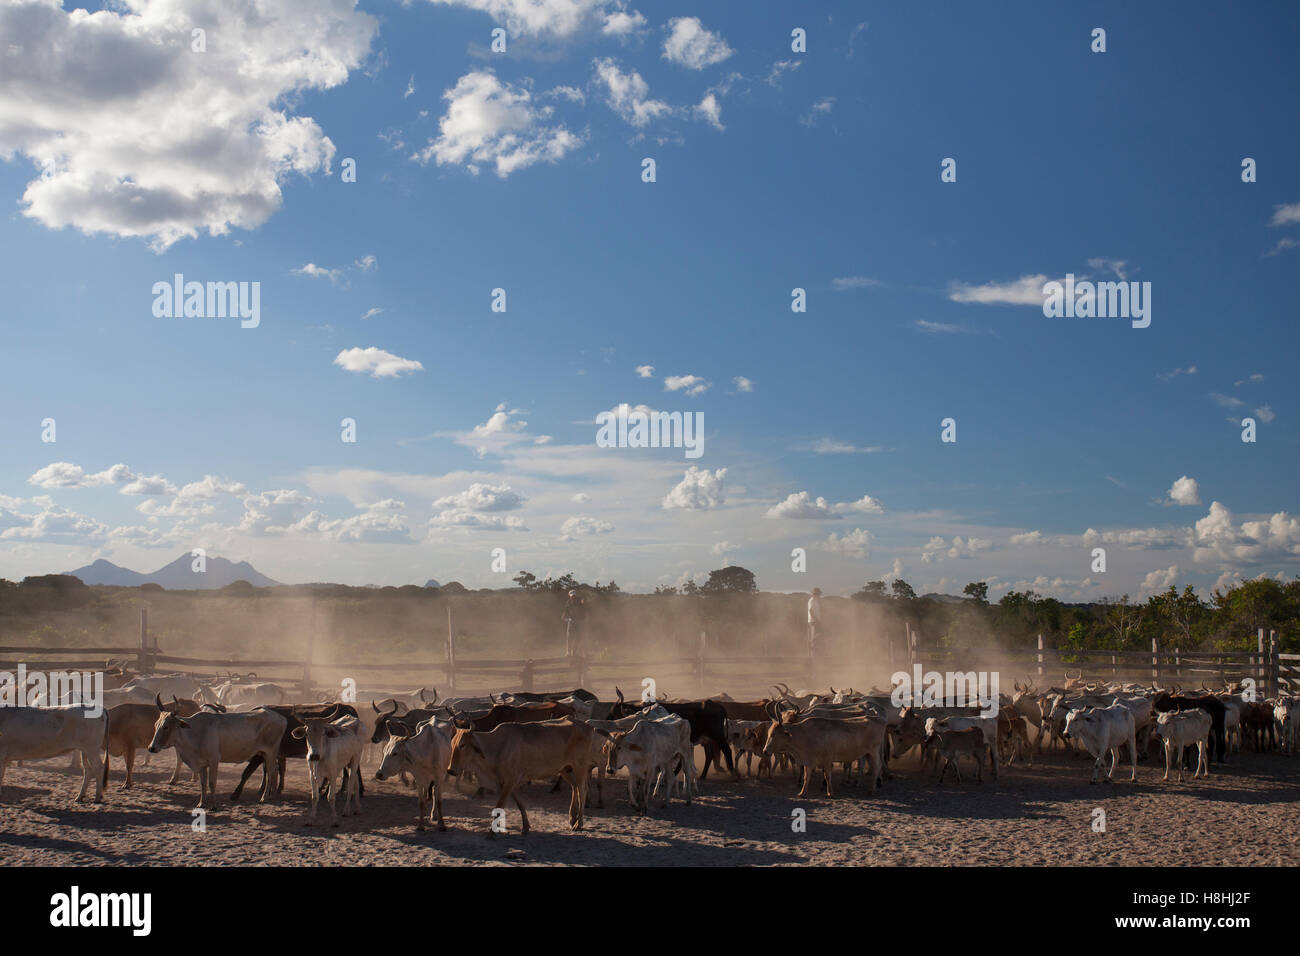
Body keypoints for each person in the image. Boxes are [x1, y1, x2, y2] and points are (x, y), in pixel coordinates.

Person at [561, 589, 587, 657]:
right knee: (569, 637)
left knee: (577, 637)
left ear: (575, 595)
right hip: (572, 621)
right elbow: (565, 612)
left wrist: (583, 602)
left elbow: (584, 606)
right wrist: (564, 617)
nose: (573, 597)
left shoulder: (580, 601)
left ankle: (574, 652)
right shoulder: (568, 603)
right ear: (569, 596)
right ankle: (568, 652)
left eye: (574, 596)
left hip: (579, 621)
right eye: (572, 596)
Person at [807, 587, 823, 657]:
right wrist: (816, 620)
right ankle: (812, 655)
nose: (819, 595)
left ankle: (814, 654)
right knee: (815, 637)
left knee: (817, 636)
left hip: (816, 621)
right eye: (818, 594)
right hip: (813, 621)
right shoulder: (812, 600)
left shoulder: (816, 600)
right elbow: (810, 611)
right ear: (815, 594)